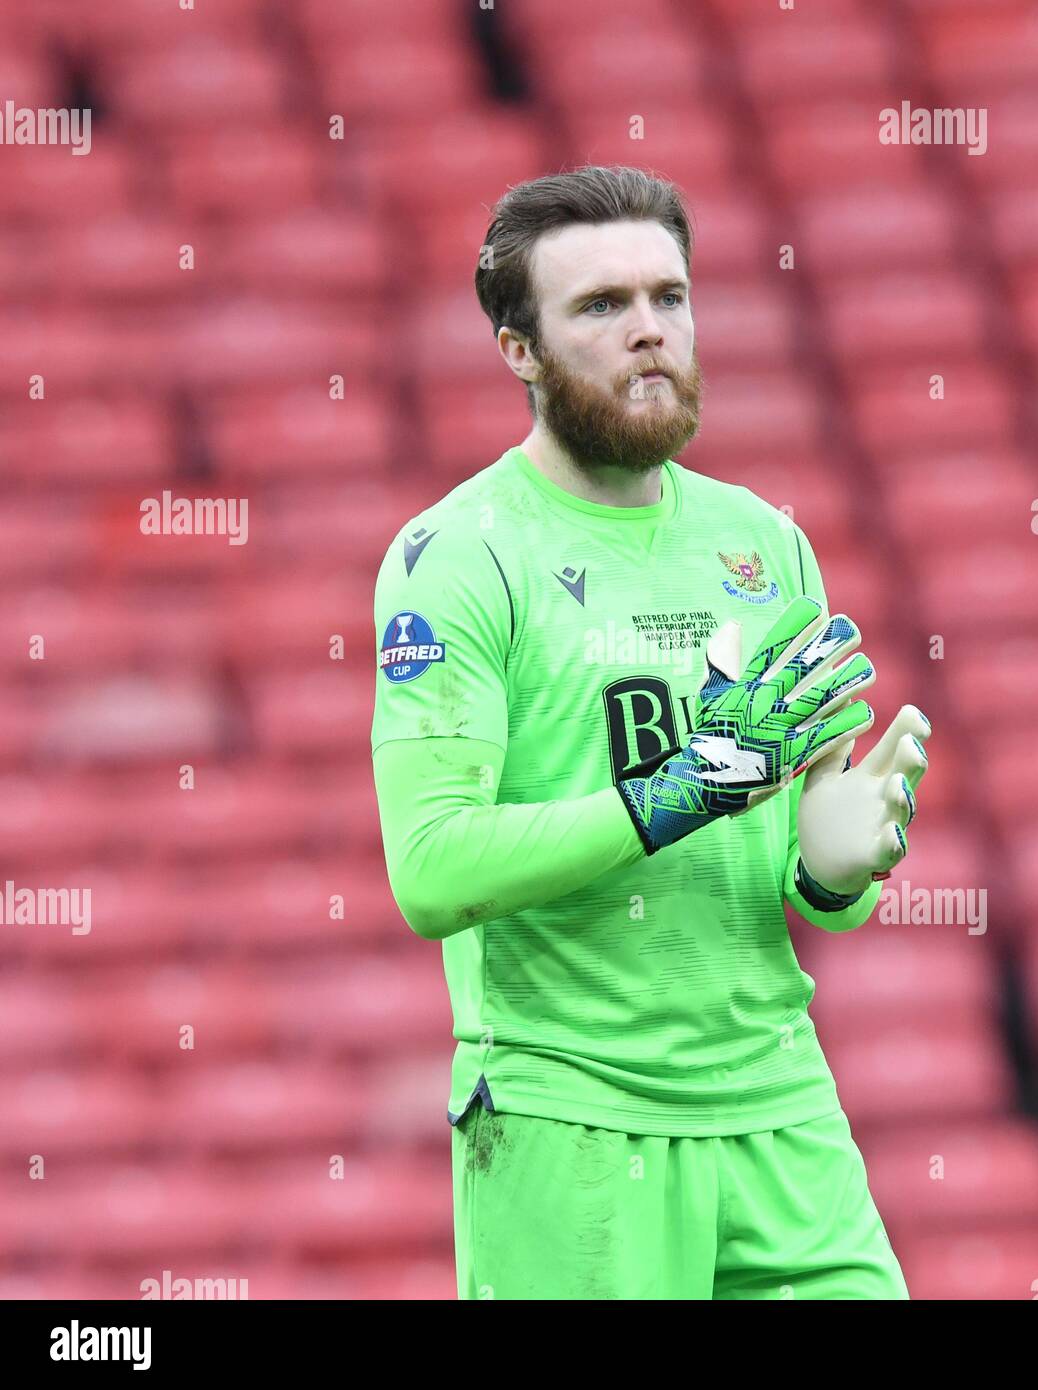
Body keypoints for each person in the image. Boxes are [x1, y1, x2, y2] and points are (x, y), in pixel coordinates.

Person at [371, 165, 931, 1299]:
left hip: (778, 1106)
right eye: (600, 307)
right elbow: (431, 871)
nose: (648, 333)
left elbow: (798, 855)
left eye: (668, 298)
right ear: (519, 351)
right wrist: (673, 793)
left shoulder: (762, 543)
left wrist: (831, 862)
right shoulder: (457, 557)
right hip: (570, 1118)